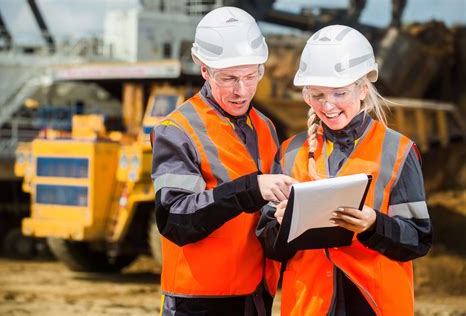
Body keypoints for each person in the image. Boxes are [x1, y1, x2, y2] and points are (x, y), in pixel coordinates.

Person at [257, 25, 432, 315]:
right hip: (310, 306)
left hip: (374, 305)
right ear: (305, 95)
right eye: (317, 95)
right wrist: (280, 224)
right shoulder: (289, 154)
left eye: (339, 93)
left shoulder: (397, 151)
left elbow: (418, 239)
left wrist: (374, 225)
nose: (328, 106)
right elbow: (271, 247)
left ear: (363, 89)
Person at [151, 7, 296, 316]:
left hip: (255, 297)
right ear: (205, 70)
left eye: (250, 76)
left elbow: (265, 219)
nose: (241, 90)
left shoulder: (266, 127)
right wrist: (251, 188)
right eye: (229, 78)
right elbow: (176, 220)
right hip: (198, 302)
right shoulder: (177, 131)